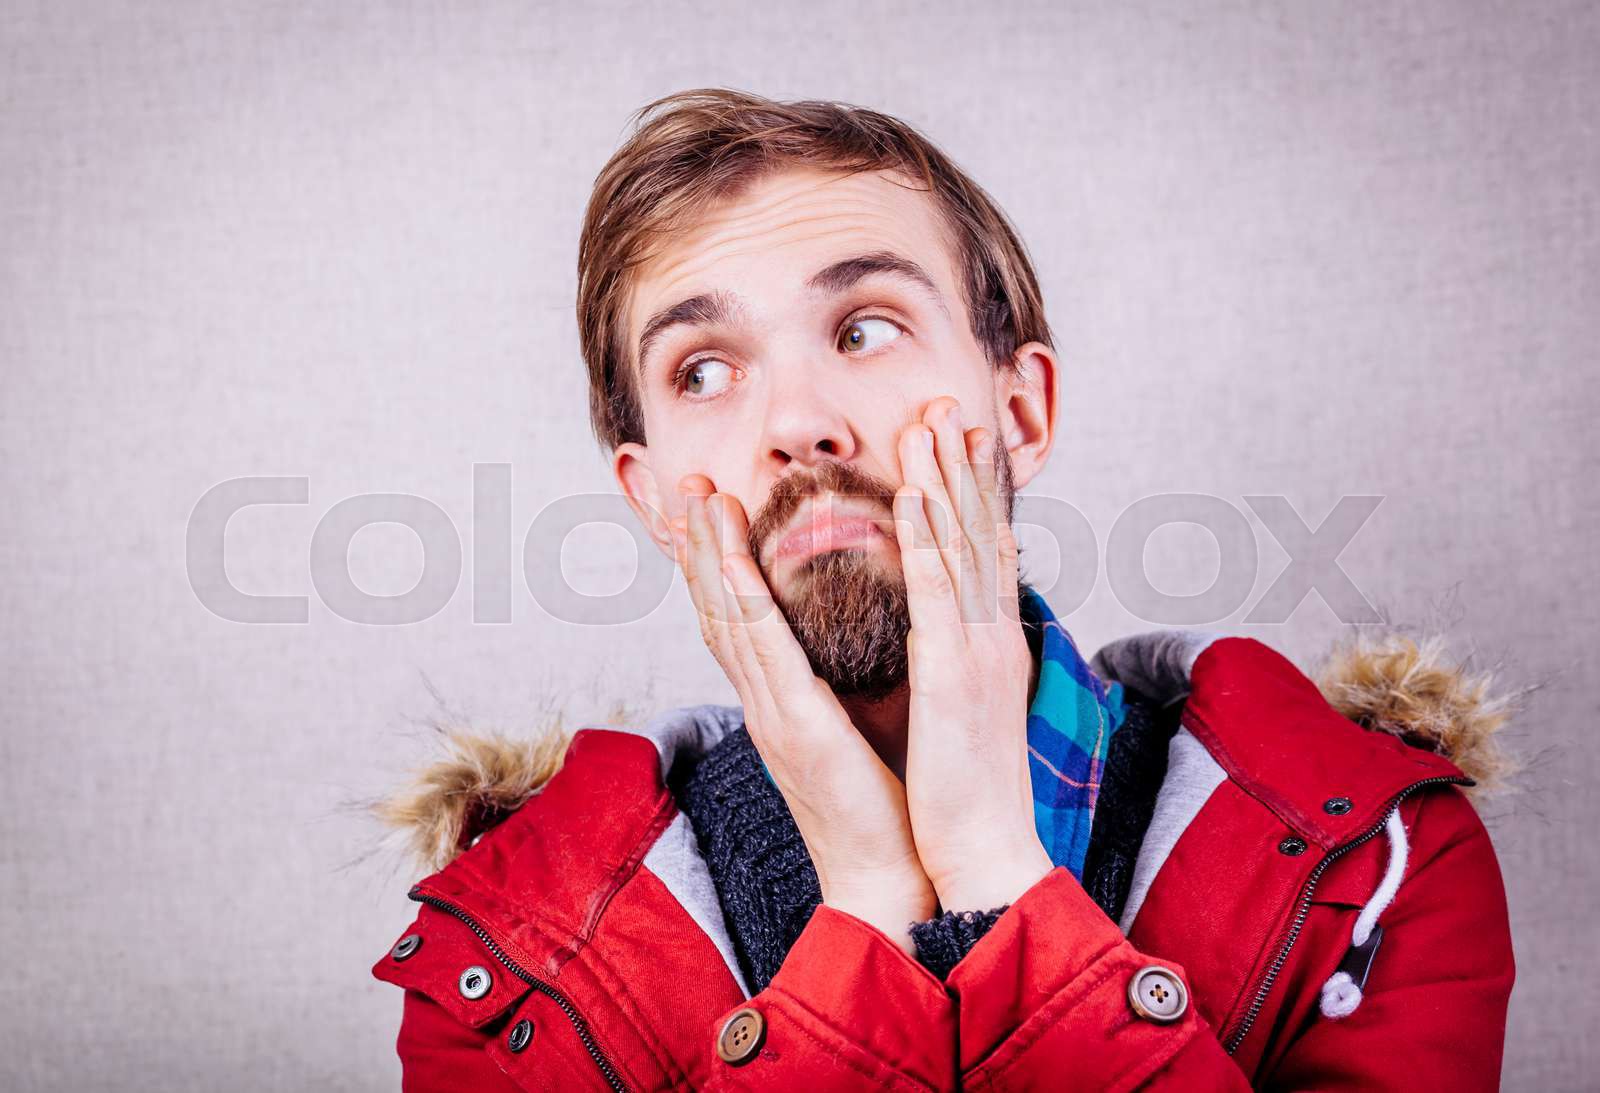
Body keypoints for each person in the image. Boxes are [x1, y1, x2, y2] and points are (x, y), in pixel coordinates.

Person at [371, 88, 1515, 1090]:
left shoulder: (1381, 873)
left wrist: (995, 874)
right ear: (657, 500)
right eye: (703, 370)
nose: (797, 423)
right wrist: (866, 906)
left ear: (1020, 414)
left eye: (864, 328)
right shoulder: (497, 970)